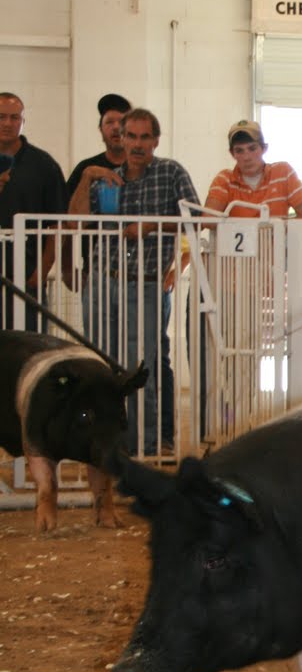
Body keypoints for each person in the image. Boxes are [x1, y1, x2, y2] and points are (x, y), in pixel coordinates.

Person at [68, 106, 198, 455]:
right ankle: (105, 444)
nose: (138, 145)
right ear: (119, 138)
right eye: (131, 136)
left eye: (145, 137)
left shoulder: (171, 172)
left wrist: (152, 225)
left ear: (156, 140)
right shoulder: (104, 178)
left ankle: (145, 447)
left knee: (142, 366)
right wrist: (85, 179)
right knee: (99, 364)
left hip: (146, 282)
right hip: (101, 281)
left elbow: (196, 222)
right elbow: (74, 222)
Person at [62, 92, 130, 339]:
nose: (115, 128)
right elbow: (68, 221)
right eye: (109, 122)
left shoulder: (149, 169)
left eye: (121, 122)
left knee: (142, 348)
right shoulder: (85, 168)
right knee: (98, 342)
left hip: (140, 275)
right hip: (97, 272)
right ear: (100, 130)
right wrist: (68, 267)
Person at [0, 90, 67, 331]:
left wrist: (40, 274)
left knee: (29, 352)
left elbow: (57, 224)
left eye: (14, 117)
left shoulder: (44, 165)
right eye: (1, 117)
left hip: (26, 281)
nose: (8, 123)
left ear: (22, 121)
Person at [204, 121, 302, 220]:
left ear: (264, 148)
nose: (246, 157)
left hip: (277, 244)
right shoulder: (224, 179)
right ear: (232, 154)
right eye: (239, 151)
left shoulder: (283, 173)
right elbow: (208, 220)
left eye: (252, 148)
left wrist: (272, 228)